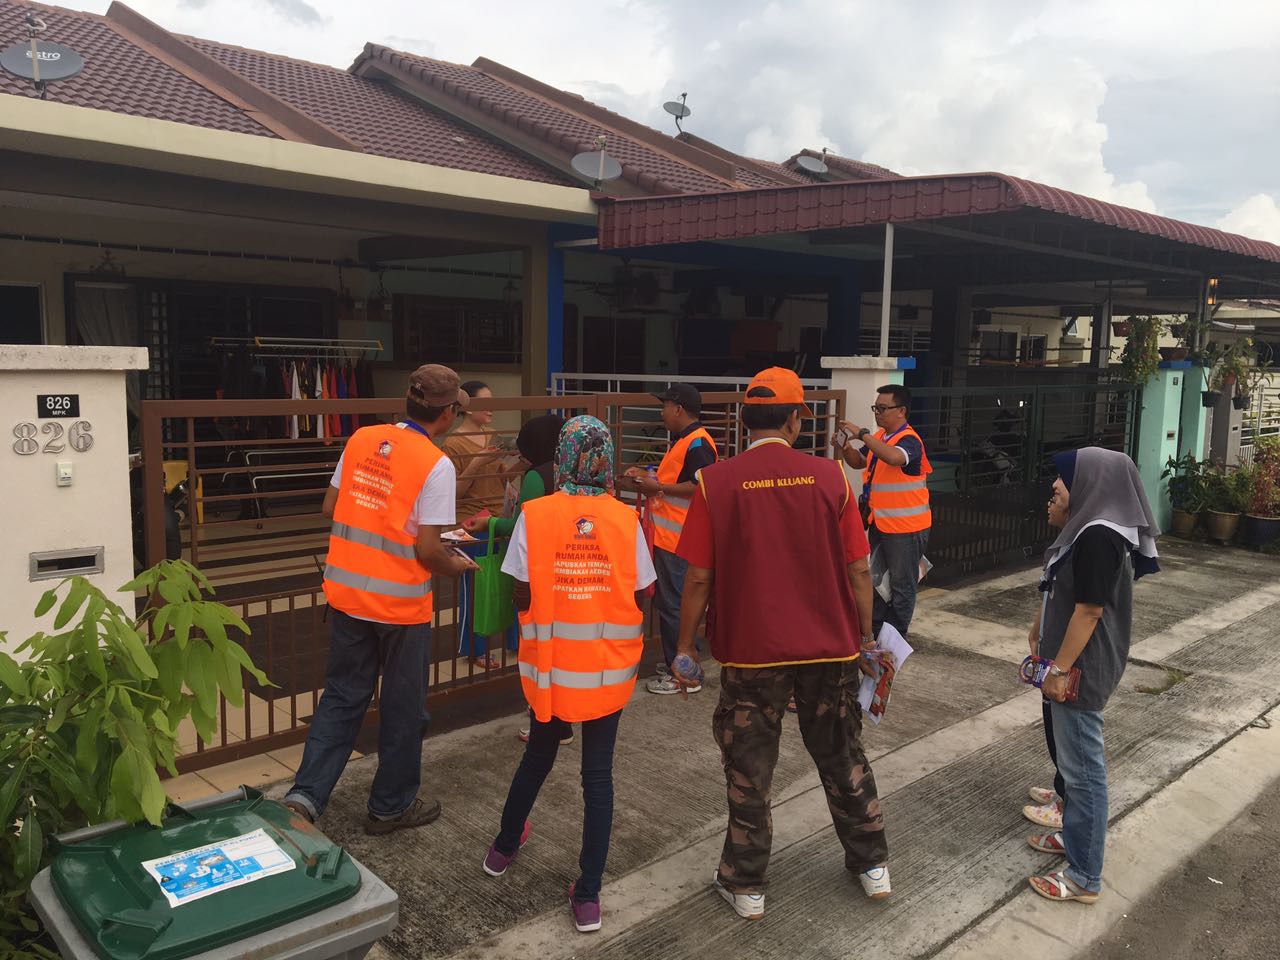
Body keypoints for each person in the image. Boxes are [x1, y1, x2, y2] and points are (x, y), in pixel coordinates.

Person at [671, 367, 890, 921]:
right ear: (795, 420)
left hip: (750, 654)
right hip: (831, 650)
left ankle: (747, 887)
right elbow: (859, 570)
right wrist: (866, 638)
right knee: (842, 755)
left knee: (750, 769)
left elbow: (697, 577)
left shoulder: (715, 482)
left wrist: (685, 648)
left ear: (746, 422)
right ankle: (872, 867)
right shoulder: (832, 479)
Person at [283, 364, 479, 834]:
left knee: (343, 697)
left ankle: (305, 797)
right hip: (399, 607)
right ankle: (390, 807)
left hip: (348, 593)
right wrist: (456, 565)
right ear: (448, 412)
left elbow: (332, 507)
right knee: (402, 706)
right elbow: (429, 549)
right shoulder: (436, 464)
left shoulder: (361, 439)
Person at [481, 416, 656, 934]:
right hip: (605, 674)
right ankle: (587, 896)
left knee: (536, 757)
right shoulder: (626, 520)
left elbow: (520, 590)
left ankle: (503, 849)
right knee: (597, 778)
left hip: (550, 670)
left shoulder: (535, 515)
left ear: (563, 457)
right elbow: (644, 589)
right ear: (603, 457)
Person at [1024, 447, 1160, 904]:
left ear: (1087, 484)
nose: (1055, 489)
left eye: (1062, 480)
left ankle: (1084, 876)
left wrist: (1059, 669)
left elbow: (1089, 610)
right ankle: (1076, 838)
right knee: (1073, 765)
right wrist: (1041, 628)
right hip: (1072, 665)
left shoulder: (1099, 536)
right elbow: (1069, 593)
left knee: (1083, 772)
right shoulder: (1087, 529)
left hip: (1082, 669)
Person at [461, 414, 575, 743]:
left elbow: (525, 525)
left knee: (540, 650)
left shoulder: (538, 476)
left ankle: (547, 723)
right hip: (571, 567)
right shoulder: (576, 472)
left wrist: (491, 524)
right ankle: (563, 719)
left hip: (540, 572)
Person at [621, 383, 718, 695]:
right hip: (670, 537)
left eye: (664, 406)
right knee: (672, 603)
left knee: (675, 605)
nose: (661, 412)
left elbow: (701, 486)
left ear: (678, 408)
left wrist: (656, 488)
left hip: (679, 539)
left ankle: (684, 674)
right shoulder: (685, 441)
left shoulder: (697, 443)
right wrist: (650, 480)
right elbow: (676, 482)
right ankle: (679, 661)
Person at [833, 383, 932, 638]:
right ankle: (876, 631)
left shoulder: (909, 440)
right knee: (877, 582)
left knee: (902, 586)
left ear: (902, 411)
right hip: (881, 523)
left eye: (882, 408)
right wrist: (846, 448)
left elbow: (893, 458)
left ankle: (894, 638)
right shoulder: (880, 438)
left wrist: (862, 433)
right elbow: (858, 462)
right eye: (875, 408)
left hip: (906, 529)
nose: (877, 413)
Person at [442, 380, 511, 522]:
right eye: (485, 403)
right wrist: (476, 463)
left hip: (498, 516)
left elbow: (502, 480)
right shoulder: (452, 444)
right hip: (470, 519)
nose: (491, 409)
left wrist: (524, 460)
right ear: (468, 408)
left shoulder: (492, 435)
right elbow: (453, 495)